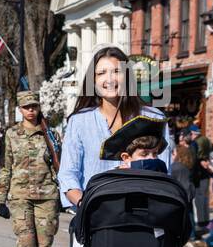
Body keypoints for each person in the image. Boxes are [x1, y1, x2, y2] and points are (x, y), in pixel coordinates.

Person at [58, 46, 170, 211]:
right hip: (95, 217)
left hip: (143, 214)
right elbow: (68, 175)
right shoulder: (79, 121)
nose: (109, 79)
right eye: (101, 73)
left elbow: (164, 170)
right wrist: (84, 205)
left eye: (116, 71)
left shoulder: (154, 118)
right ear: (93, 80)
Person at [0, 91, 59, 247]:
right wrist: (1, 198)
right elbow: (6, 167)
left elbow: (59, 164)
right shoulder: (12, 134)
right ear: (20, 109)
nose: (31, 110)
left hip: (47, 196)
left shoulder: (50, 134)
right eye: (26, 107)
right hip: (20, 196)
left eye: (34, 106)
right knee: (26, 244)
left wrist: (63, 191)